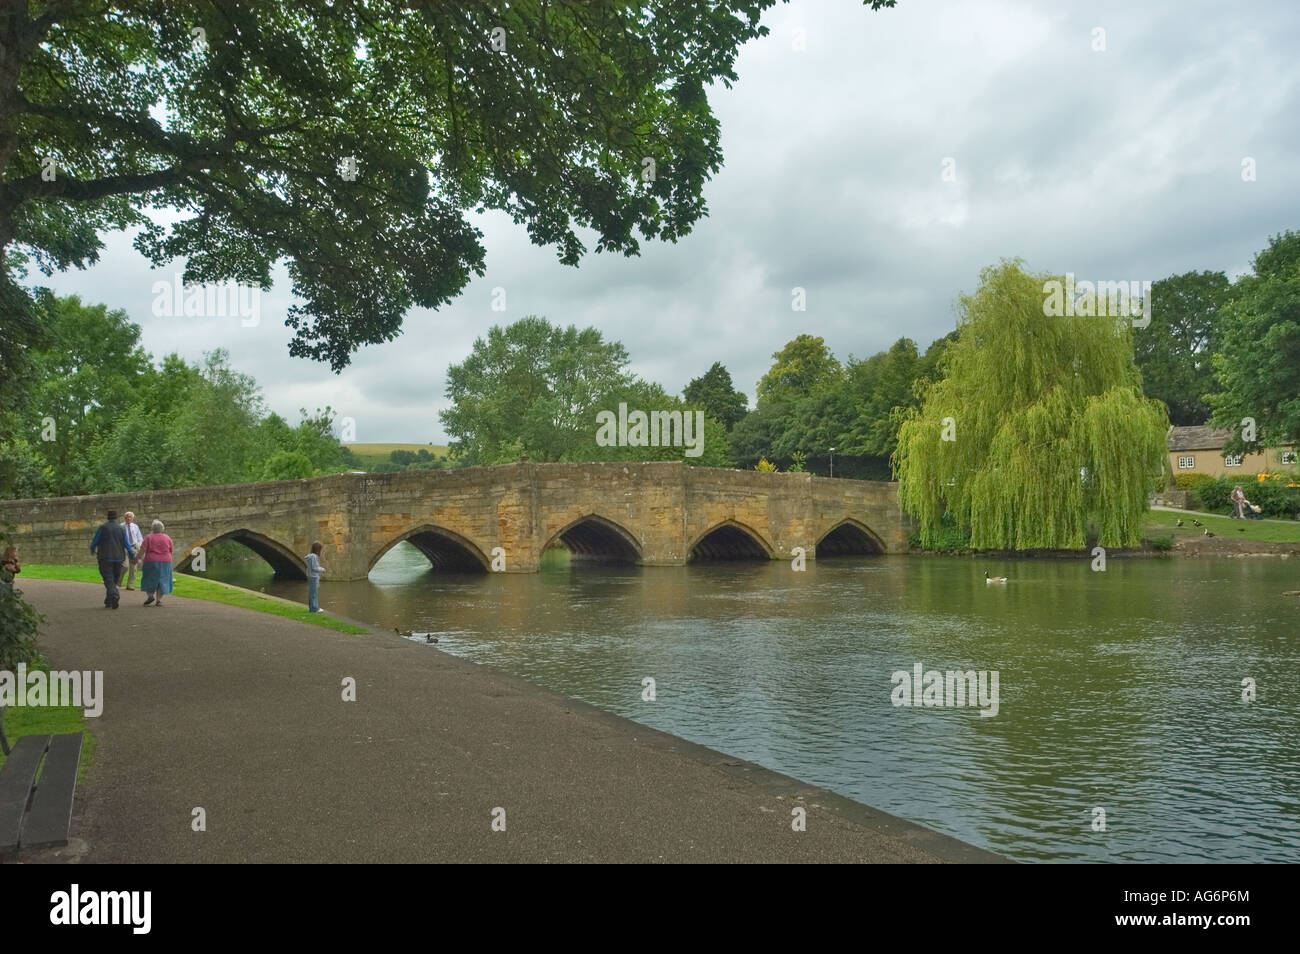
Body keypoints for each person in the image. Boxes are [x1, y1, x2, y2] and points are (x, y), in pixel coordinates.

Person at [90, 509, 133, 609]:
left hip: (105, 557)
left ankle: (114, 596)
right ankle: (108, 601)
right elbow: (127, 543)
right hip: (119, 558)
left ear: (108, 517)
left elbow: (95, 541)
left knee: (109, 579)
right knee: (114, 580)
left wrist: (92, 549)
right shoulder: (121, 529)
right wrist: (131, 554)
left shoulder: (103, 527)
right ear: (117, 517)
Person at [137, 519, 174, 607]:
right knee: (163, 579)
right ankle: (159, 600)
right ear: (162, 528)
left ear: (152, 528)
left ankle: (150, 596)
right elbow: (171, 550)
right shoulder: (167, 537)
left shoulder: (148, 537)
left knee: (149, 578)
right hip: (165, 561)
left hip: (151, 561)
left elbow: (143, 549)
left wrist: (137, 557)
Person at [122, 511, 144, 590]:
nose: (128, 518)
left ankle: (130, 585)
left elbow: (140, 537)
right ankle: (118, 581)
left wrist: (139, 546)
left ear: (132, 518)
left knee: (134, 567)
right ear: (124, 518)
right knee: (125, 566)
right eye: (127, 517)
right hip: (124, 548)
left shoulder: (135, 526)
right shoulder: (121, 526)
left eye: (130, 517)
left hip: (134, 547)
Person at [305, 541, 326, 613]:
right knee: (314, 593)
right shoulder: (313, 556)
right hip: (313, 577)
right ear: (318, 549)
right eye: (320, 549)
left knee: (313, 593)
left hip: (311, 576)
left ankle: (313, 608)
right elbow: (314, 568)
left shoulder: (311, 556)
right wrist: (322, 569)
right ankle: (314, 609)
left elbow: (312, 567)